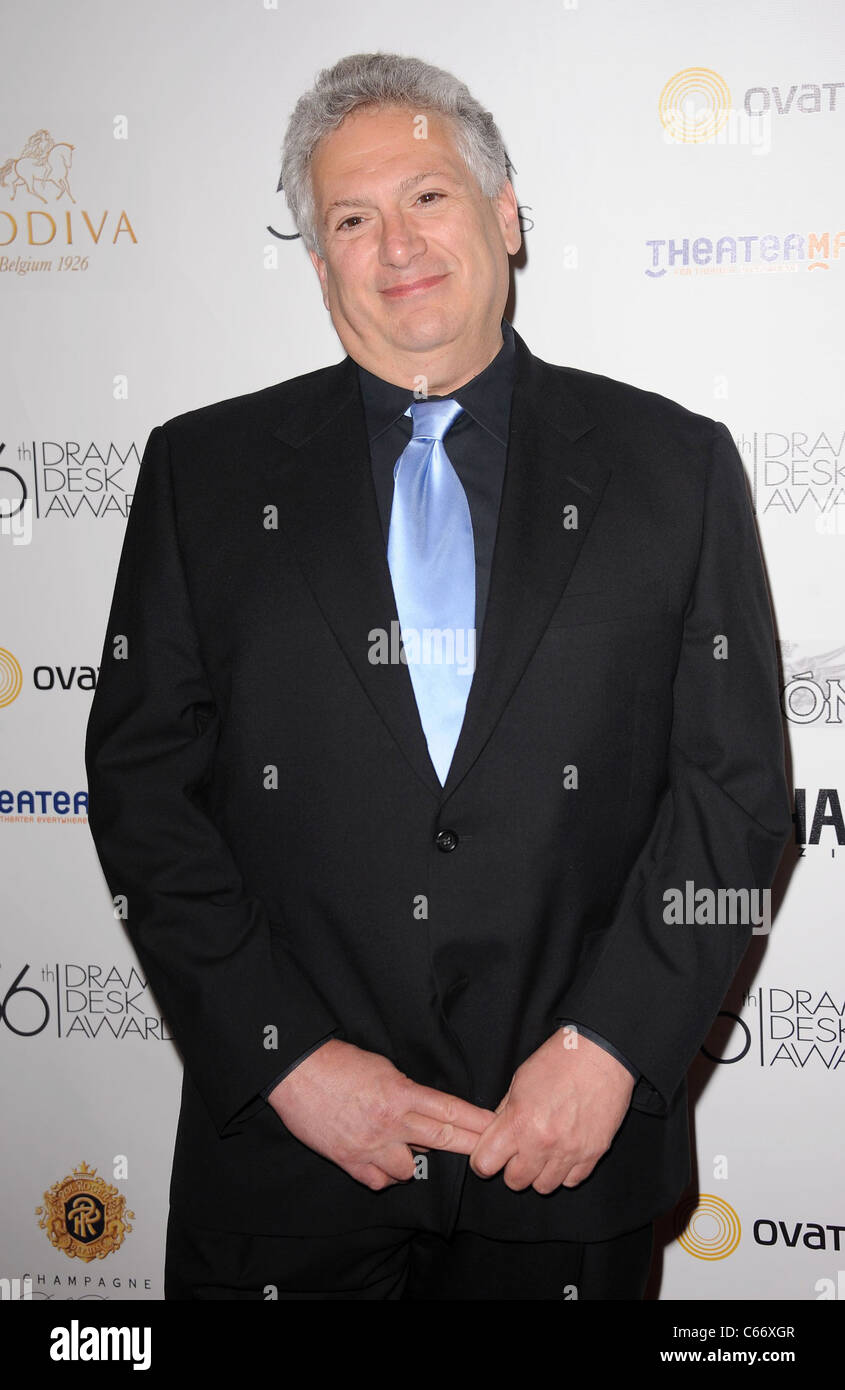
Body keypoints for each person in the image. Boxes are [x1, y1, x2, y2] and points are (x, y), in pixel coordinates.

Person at [84, 51, 792, 1301]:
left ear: (504, 217)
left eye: (426, 196)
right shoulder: (202, 474)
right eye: (351, 220)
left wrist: (613, 1045)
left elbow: (733, 800)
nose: (395, 245)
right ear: (319, 264)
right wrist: (287, 1058)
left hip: (564, 1167)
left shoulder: (672, 467)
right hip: (290, 1176)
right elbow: (143, 793)